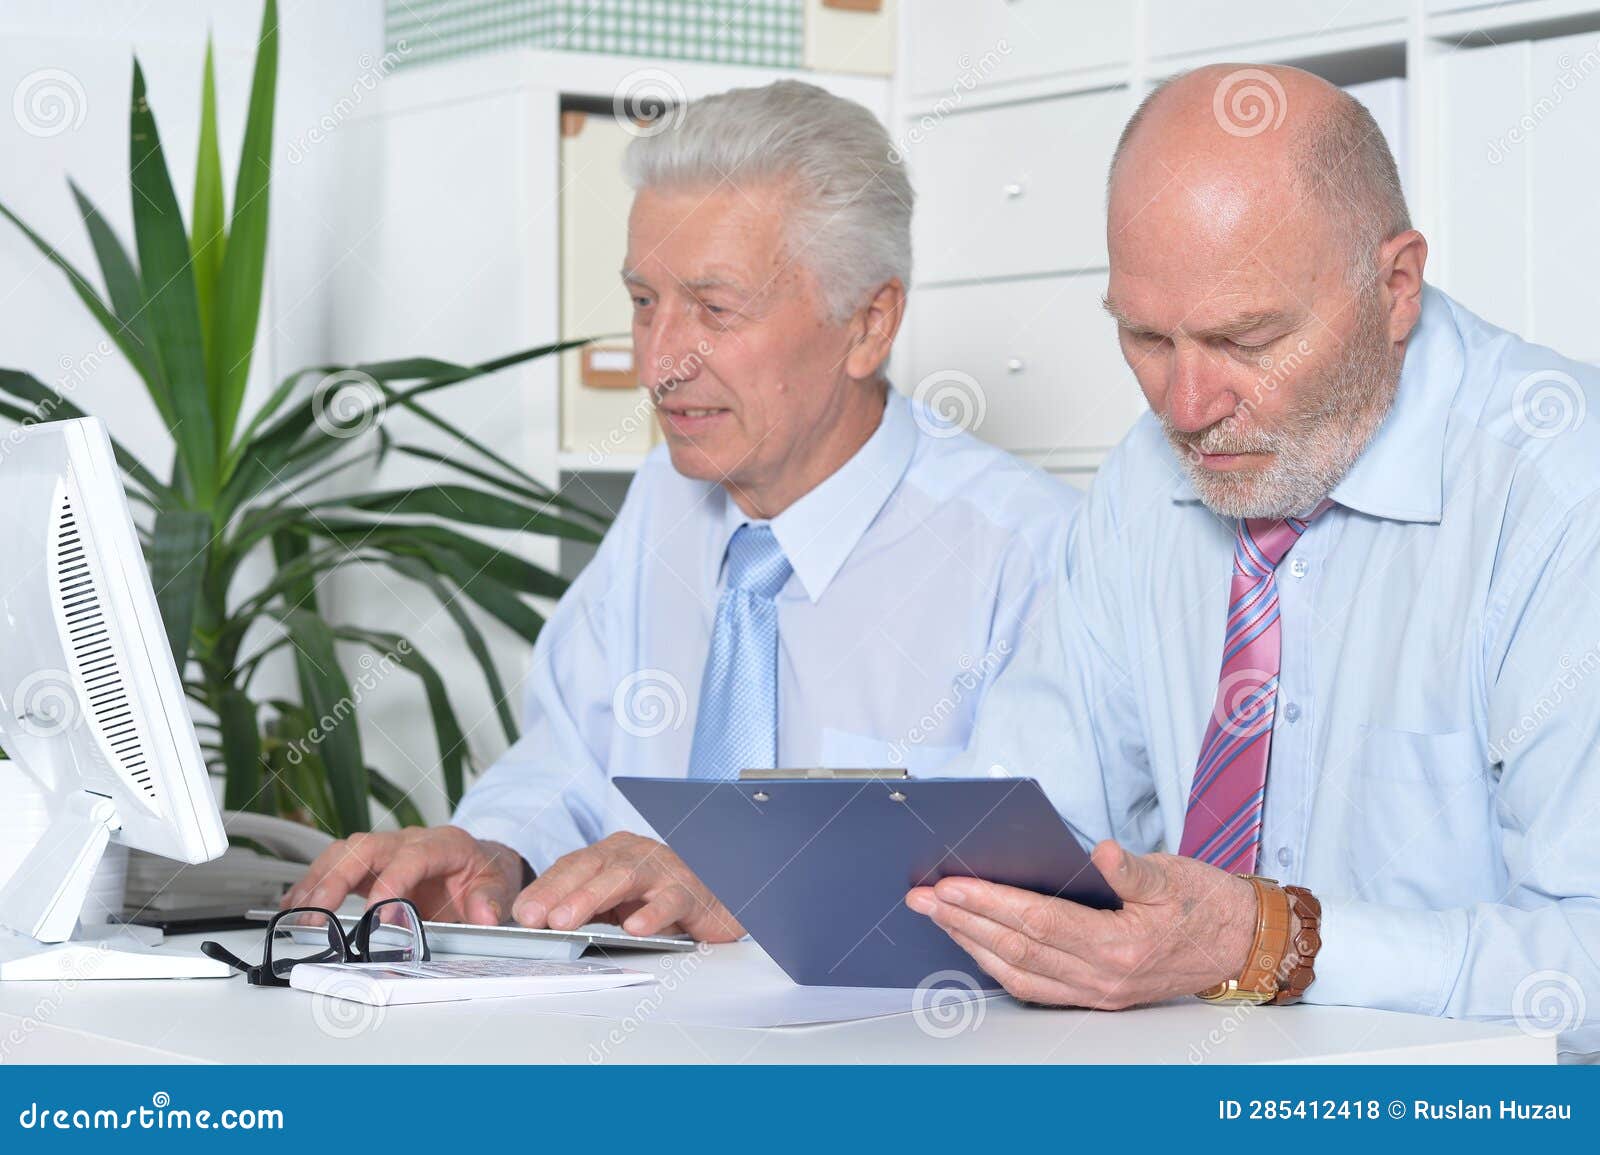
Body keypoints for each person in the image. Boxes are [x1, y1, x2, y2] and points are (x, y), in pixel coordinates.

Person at [907, 64, 1600, 1052]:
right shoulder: (1143, 480)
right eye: (1145, 338)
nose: (1184, 408)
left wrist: (1271, 944)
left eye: (1247, 338)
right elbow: (1029, 838)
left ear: (1394, 286)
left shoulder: (1567, 496)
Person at [285, 81, 1078, 941]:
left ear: (868, 324)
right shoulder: (665, 500)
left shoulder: (1031, 555)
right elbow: (567, 765)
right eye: (642, 303)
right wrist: (495, 853)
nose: (657, 364)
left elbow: (1043, 897)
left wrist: (752, 887)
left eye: (713, 308)